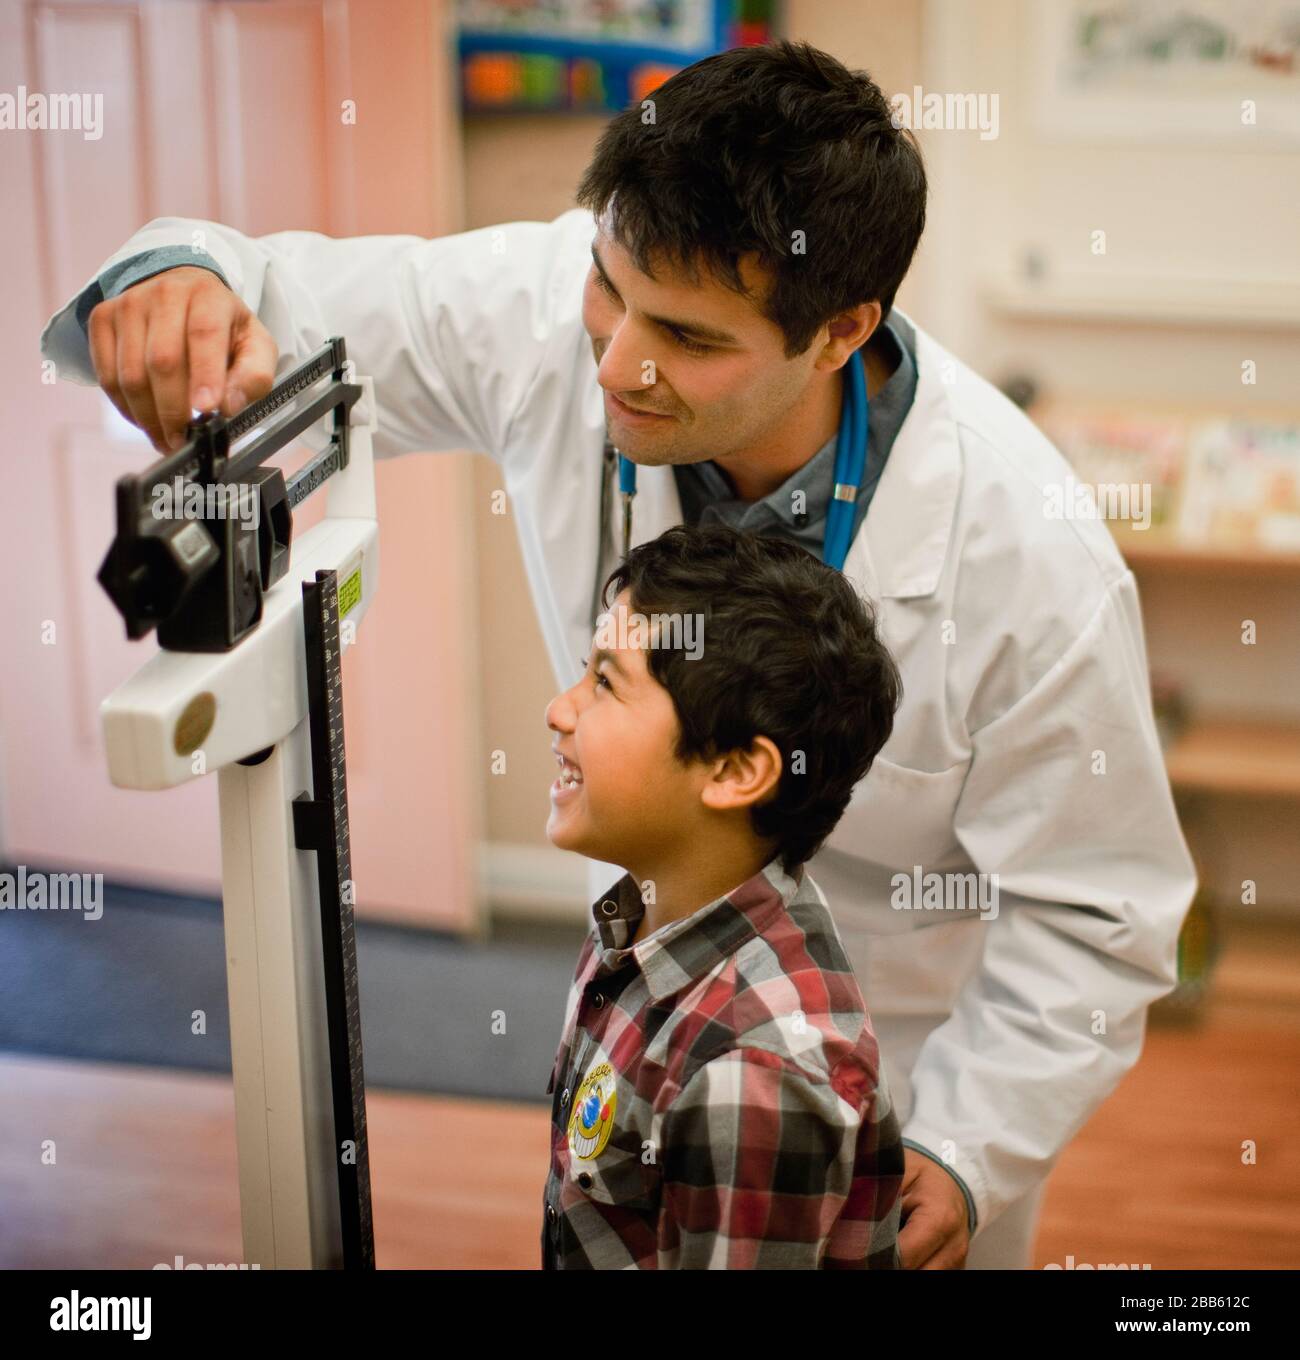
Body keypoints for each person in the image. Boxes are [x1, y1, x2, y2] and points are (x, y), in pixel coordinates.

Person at [40, 39, 1197, 1269]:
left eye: (689, 341)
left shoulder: (1027, 555)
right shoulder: (563, 309)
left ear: (841, 328)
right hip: (643, 1027)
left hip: (888, 1091)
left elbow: (1096, 912)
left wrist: (970, 1144)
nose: (612, 363)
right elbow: (263, 293)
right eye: (608, 286)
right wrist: (175, 281)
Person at [542, 522, 904, 1268]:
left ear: (737, 772)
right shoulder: (645, 914)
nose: (560, 708)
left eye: (606, 683)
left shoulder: (752, 1079)